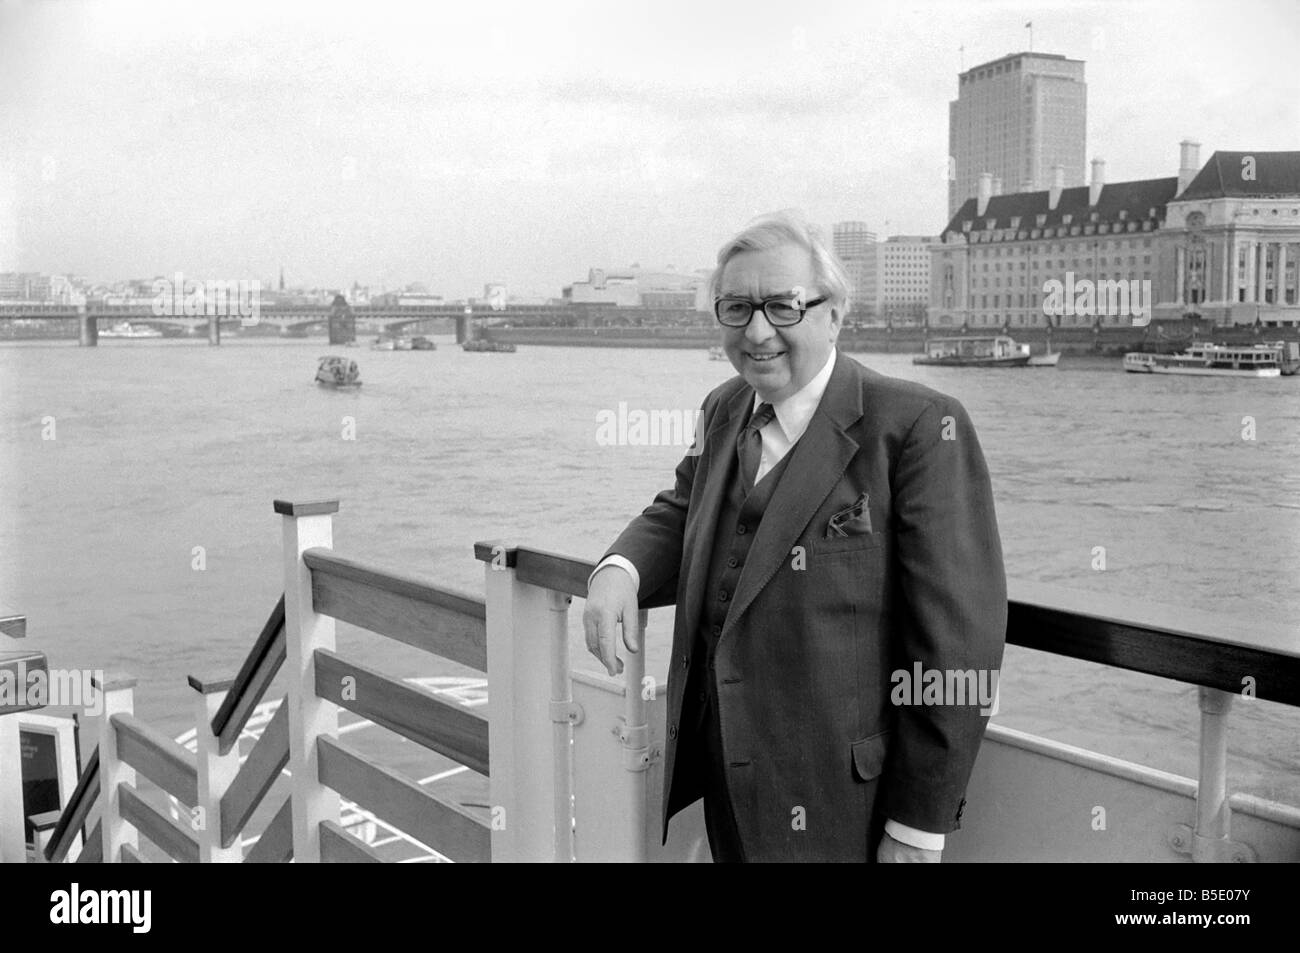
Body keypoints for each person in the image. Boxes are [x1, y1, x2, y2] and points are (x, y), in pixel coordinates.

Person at [582, 210, 1007, 862]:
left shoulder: (918, 426)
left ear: (833, 313)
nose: (757, 332)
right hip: (728, 775)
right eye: (736, 307)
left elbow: (958, 645)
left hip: (846, 802)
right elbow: (681, 507)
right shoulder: (724, 408)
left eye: (782, 307)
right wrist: (620, 568)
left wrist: (918, 823)